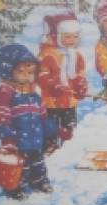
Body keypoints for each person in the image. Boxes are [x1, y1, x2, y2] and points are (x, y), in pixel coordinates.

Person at [0, 44, 58, 198]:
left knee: (38, 163)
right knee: (21, 166)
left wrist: (53, 131)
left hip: (35, 140)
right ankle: (15, 188)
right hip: (17, 141)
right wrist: (7, 138)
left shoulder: (33, 94)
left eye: (31, 72)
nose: (27, 76)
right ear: (8, 71)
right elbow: (1, 117)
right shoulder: (5, 93)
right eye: (21, 72)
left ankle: (39, 181)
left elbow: (42, 117)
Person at [38, 13, 88, 150]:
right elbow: (41, 75)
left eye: (75, 36)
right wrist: (54, 85)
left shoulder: (76, 55)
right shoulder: (47, 54)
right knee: (51, 129)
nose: (72, 40)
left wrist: (80, 86)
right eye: (67, 36)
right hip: (51, 102)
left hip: (69, 101)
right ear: (58, 36)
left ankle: (68, 149)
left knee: (69, 129)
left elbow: (80, 73)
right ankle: (50, 148)